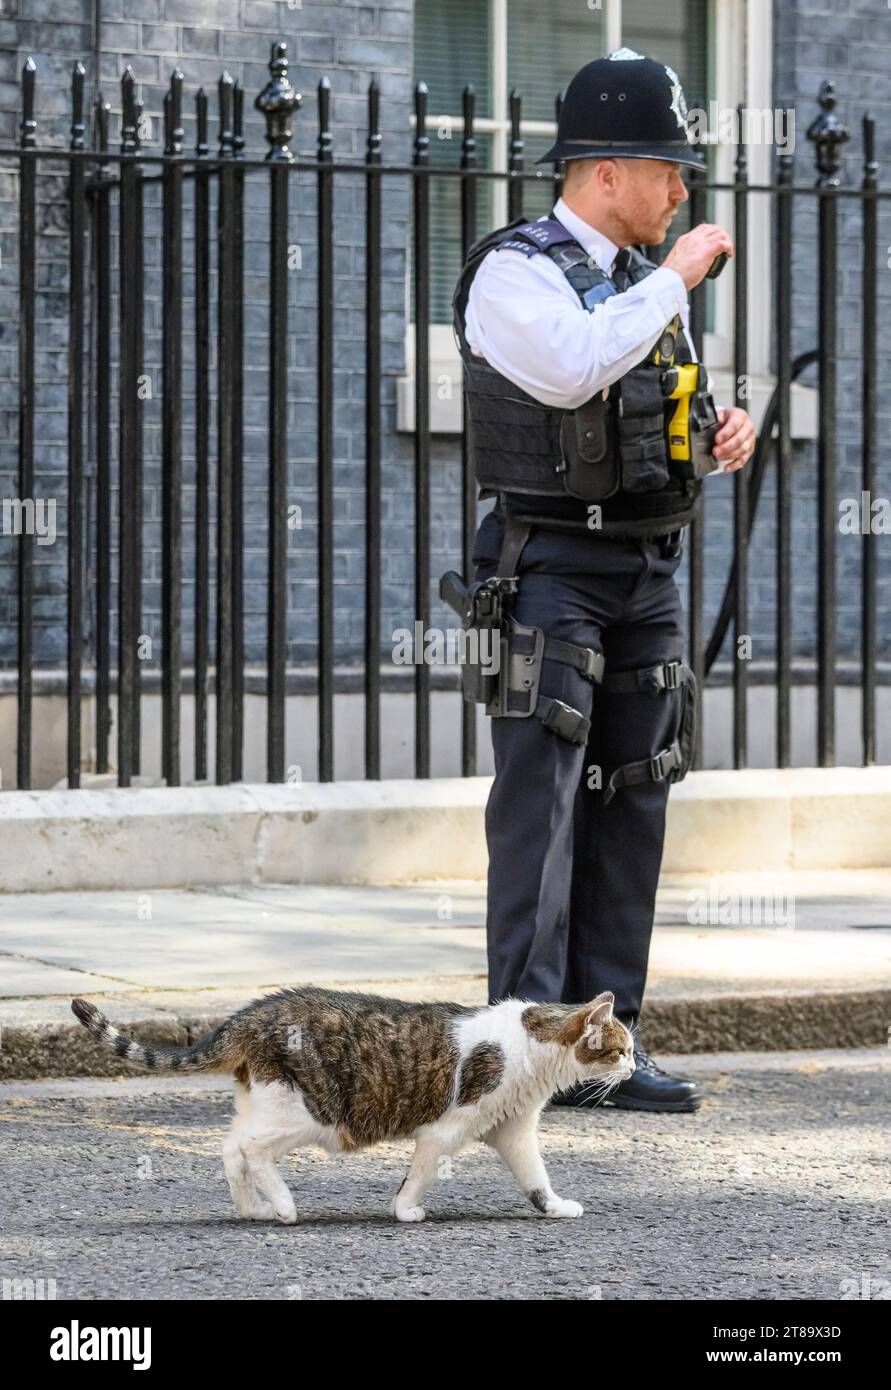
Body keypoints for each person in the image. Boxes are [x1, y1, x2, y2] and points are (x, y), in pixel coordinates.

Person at [449, 50, 755, 1113]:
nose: (682, 192)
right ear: (607, 171)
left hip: (645, 563)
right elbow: (574, 366)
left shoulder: (638, 282)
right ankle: (522, 1056)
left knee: (636, 798)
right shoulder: (516, 272)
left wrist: (723, 429)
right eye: (668, 169)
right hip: (551, 569)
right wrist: (679, 276)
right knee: (541, 806)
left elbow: (650, 399)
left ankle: (603, 1052)